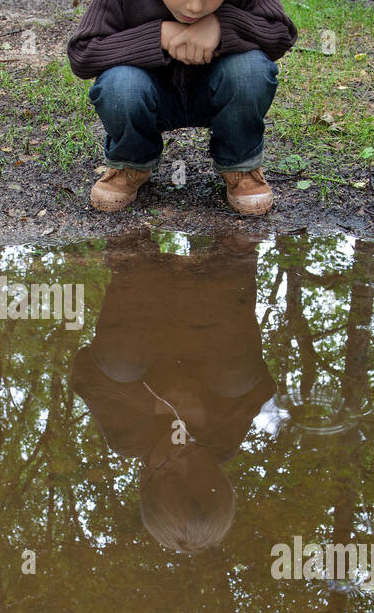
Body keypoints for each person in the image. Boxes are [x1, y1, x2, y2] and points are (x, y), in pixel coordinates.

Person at [67, 0, 298, 216]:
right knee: (119, 85)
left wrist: (222, 26)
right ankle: (133, 162)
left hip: (218, 92)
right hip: (149, 96)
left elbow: (281, 34)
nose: (195, 6)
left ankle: (239, 164)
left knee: (252, 70)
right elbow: (83, 54)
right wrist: (159, 36)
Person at [71, 229, 275, 552]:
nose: (182, 450)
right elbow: (263, 384)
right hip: (208, 305)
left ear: (146, 479)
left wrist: (148, 403)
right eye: (197, 463)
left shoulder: (127, 439)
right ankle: (235, 253)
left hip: (151, 300)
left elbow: (83, 373)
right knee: (236, 379)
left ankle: (131, 251)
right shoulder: (222, 442)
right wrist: (207, 404)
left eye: (171, 467)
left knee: (120, 365)